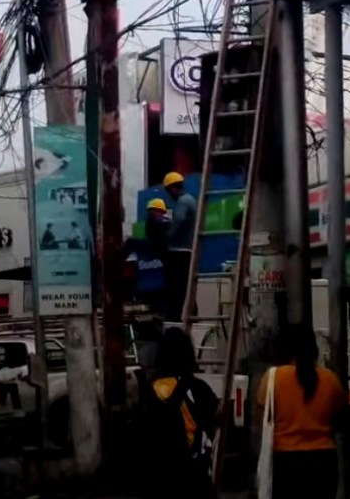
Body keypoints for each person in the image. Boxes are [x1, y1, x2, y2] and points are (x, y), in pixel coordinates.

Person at [258, 325, 345, 499]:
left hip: (285, 462)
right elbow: (338, 419)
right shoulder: (330, 379)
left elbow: (263, 418)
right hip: (323, 461)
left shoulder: (273, 378)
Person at [139, 327, 218, 496]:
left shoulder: (150, 390)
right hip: (193, 477)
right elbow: (213, 418)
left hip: (160, 478)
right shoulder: (199, 389)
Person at [163, 171, 197, 321]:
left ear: (171, 188)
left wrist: (168, 236)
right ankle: (190, 313)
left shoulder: (182, 202)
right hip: (188, 250)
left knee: (175, 288)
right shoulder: (192, 200)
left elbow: (179, 220)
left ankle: (174, 318)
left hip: (178, 252)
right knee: (184, 287)